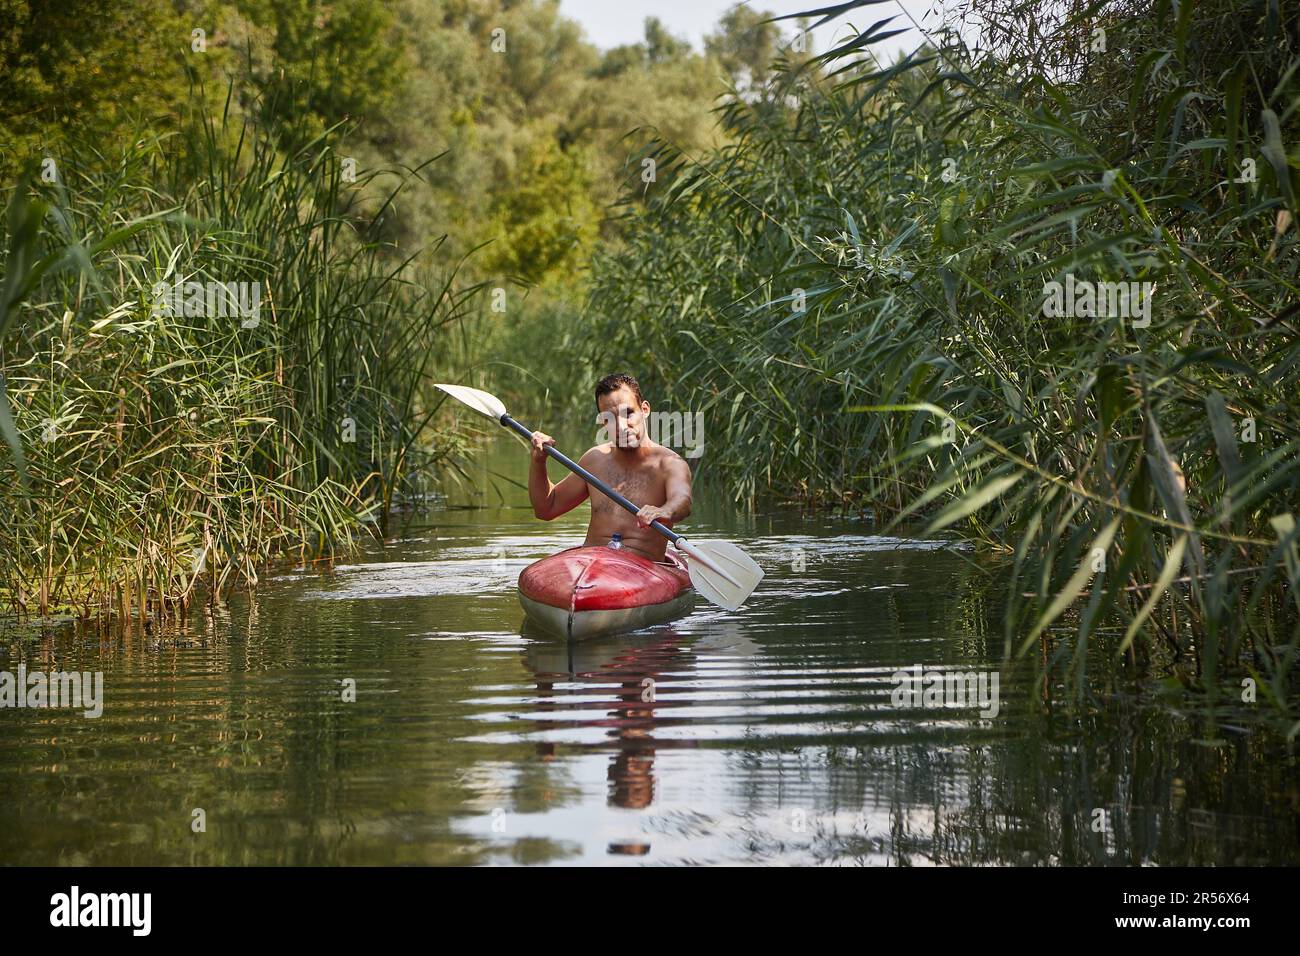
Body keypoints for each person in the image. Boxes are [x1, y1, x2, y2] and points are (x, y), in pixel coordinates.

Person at [527, 373, 691, 562]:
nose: (621, 426)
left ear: (644, 410)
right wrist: (538, 462)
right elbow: (546, 509)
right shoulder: (594, 460)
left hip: (643, 569)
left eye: (628, 413)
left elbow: (683, 502)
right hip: (591, 565)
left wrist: (664, 511)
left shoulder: (671, 464)